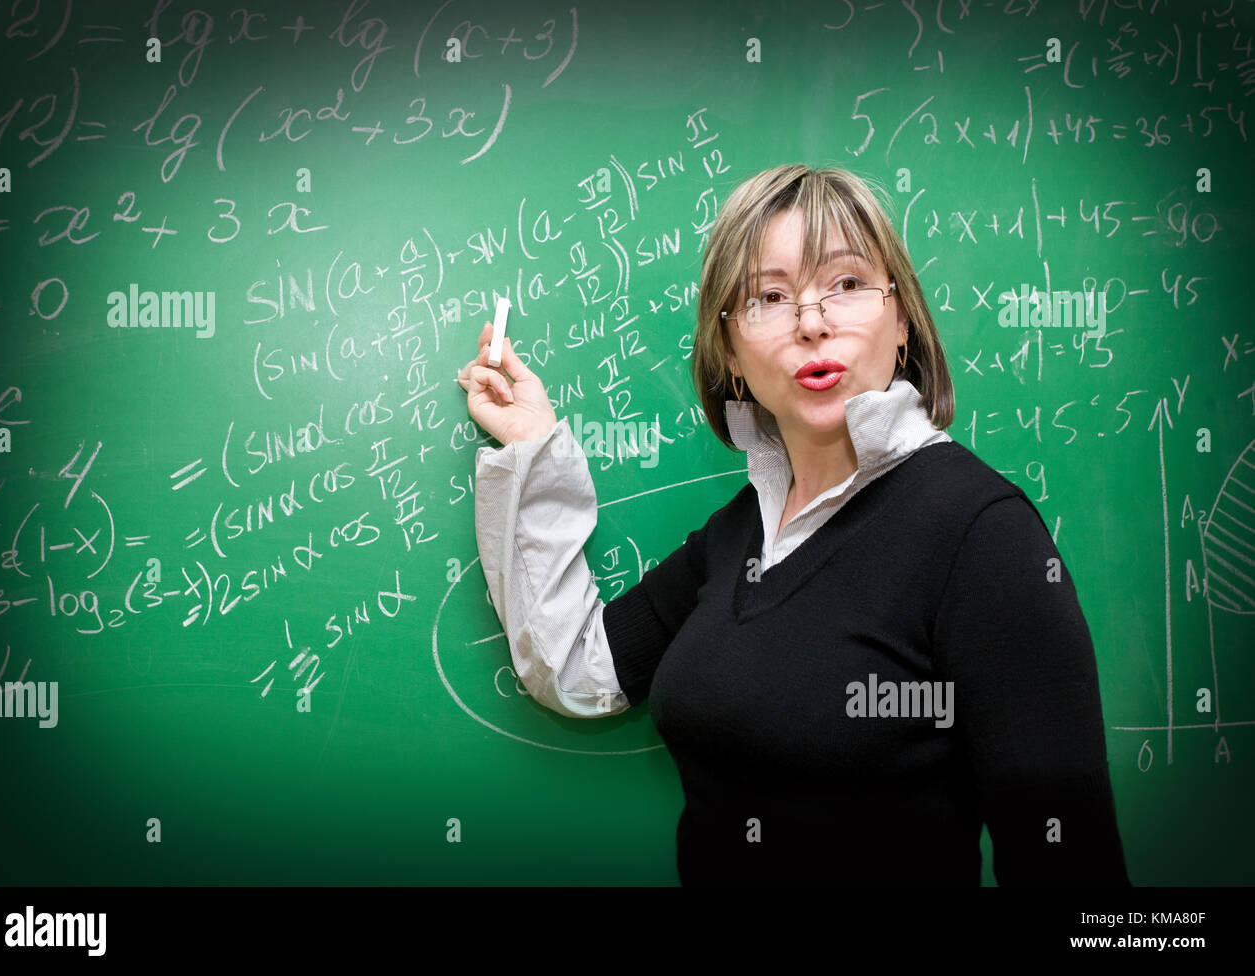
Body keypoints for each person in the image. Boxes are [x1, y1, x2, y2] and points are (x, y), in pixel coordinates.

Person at [456, 165, 1130, 887]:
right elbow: (580, 670)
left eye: (845, 284)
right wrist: (533, 448)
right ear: (732, 358)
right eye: (769, 298)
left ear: (902, 322)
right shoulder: (744, 532)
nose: (812, 322)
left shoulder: (982, 535)